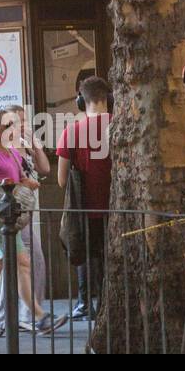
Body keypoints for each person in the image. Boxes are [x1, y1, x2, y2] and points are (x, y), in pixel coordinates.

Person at [0, 107, 52, 336]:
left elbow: (20, 178)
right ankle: (39, 316)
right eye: (7, 126)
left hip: (11, 217)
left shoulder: (13, 153)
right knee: (23, 263)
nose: (12, 130)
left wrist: (29, 184)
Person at [56, 75, 112, 320]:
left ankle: (85, 303)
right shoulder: (122, 124)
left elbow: (61, 179)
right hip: (117, 209)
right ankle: (107, 304)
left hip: (84, 210)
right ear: (109, 99)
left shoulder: (71, 131)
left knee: (87, 255)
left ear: (81, 101)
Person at [0, 103, 50, 334]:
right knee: (30, 261)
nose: (24, 125)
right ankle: (28, 316)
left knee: (8, 266)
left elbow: (44, 168)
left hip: (23, 215)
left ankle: (8, 318)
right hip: (10, 215)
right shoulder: (4, 149)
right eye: (18, 121)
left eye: (26, 121)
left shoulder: (24, 146)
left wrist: (34, 144)